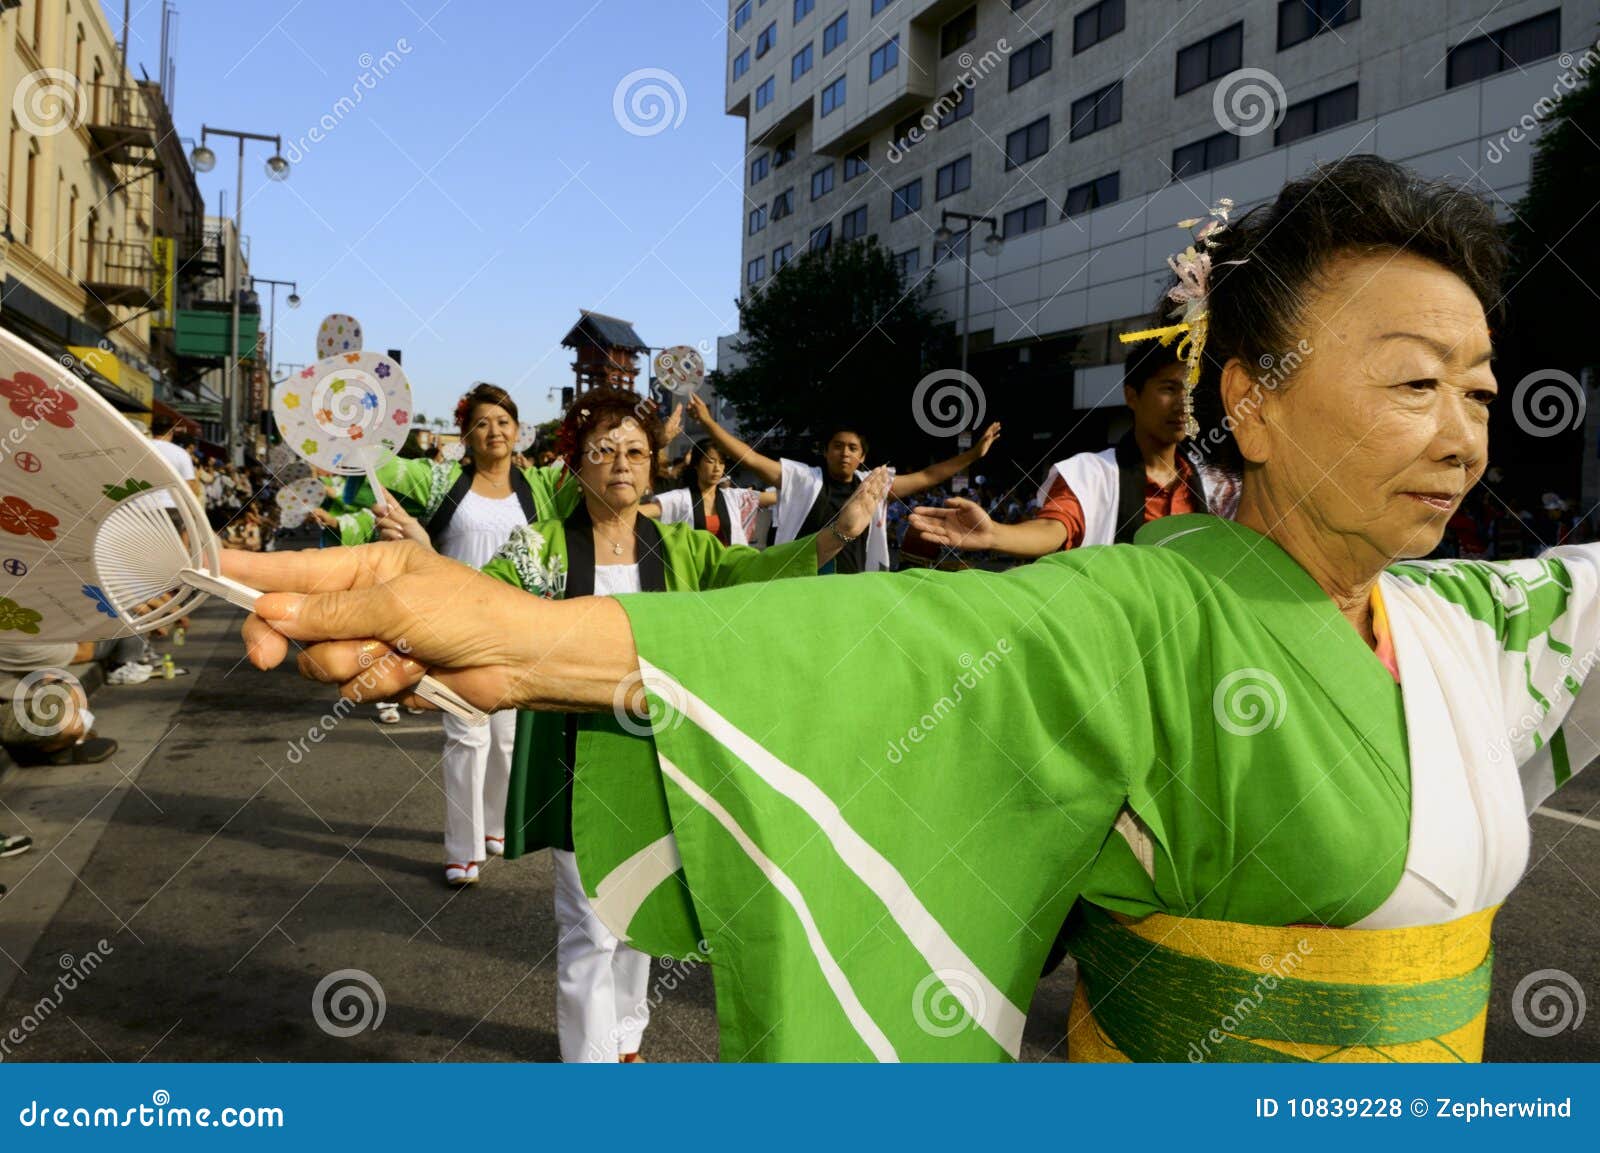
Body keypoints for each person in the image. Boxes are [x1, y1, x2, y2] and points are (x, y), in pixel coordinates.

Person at [225, 156, 1586, 1063]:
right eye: (1417, 383)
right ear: (1254, 398)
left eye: (1480, 391)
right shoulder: (1145, 612)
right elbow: (883, 652)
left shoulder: (1479, 619)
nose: (1466, 433)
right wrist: (514, 631)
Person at [462, 387, 887, 1063]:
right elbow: (477, 600)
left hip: (662, 762)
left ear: (655, 465)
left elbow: (756, 574)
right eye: (603, 450)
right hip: (577, 762)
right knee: (587, 929)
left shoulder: (683, 550)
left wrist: (840, 532)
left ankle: (627, 1036)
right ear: (577, 463)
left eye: (636, 450)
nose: (622, 463)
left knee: (639, 914)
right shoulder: (540, 548)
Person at [909, 337, 1239, 557]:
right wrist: (996, 534)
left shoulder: (1216, 486)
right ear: (1132, 396)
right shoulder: (1089, 475)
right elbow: (1054, 528)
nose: (1183, 403)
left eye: (1189, 390)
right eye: (1169, 388)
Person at [684, 391, 1001, 572]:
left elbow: (928, 476)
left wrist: (973, 455)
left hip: (852, 583)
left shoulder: (873, 486)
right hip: (802, 580)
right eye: (837, 446)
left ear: (863, 455)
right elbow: (750, 458)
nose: (845, 454)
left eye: (852, 448)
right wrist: (710, 423)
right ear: (825, 451)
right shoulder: (803, 479)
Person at [643, 439, 775, 546]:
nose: (717, 468)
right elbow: (638, 512)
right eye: (710, 461)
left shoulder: (733, 497)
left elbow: (781, 496)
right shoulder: (680, 498)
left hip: (729, 570)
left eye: (721, 463)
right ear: (696, 464)